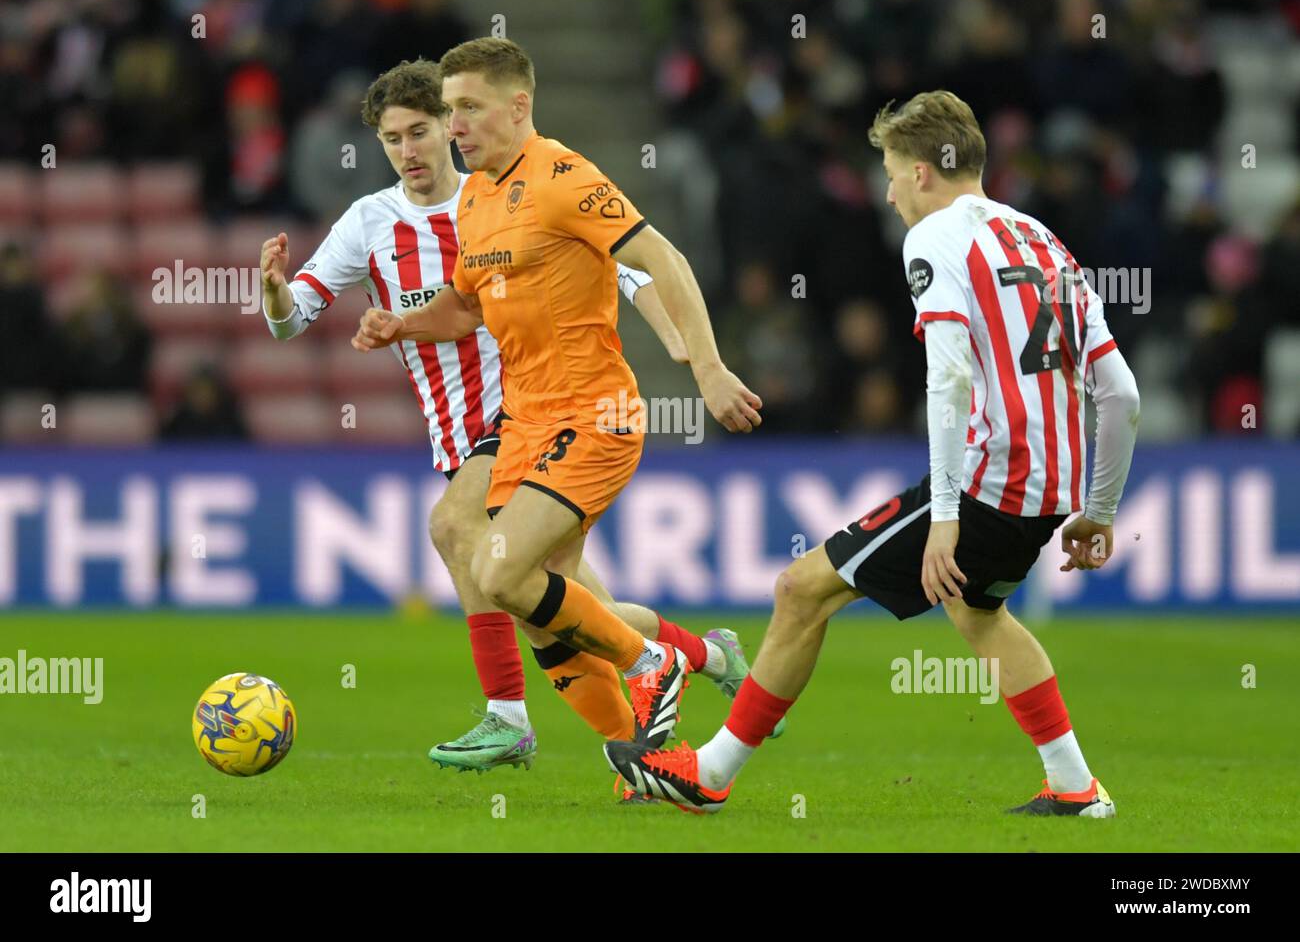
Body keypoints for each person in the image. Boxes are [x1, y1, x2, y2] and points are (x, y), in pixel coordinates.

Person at [606, 90, 1140, 817]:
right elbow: (1121, 392)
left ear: (923, 172)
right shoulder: (1044, 241)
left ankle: (707, 773)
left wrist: (946, 515)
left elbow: (948, 377)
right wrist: (1098, 510)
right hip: (1049, 488)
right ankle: (1075, 787)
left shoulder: (936, 239)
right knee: (978, 613)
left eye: (890, 171)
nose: (887, 193)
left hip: (988, 481)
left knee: (802, 591)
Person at [263, 58, 775, 781]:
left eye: (433, 124)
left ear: (462, 123)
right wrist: (371, 318)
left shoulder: (549, 181)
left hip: (548, 416)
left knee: (461, 536)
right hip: (491, 431)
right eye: (393, 138)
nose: (412, 148)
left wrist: (700, 362)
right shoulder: (413, 214)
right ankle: (681, 697)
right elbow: (445, 307)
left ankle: (521, 712)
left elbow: (641, 265)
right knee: (558, 608)